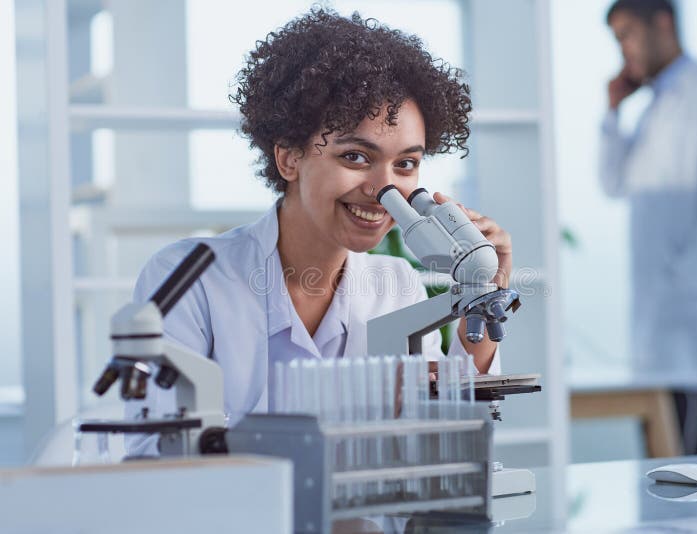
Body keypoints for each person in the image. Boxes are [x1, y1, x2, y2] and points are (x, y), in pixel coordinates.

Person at [125, 8, 511, 455]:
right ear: (289, 159)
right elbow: (150, 454)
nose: (383, 190)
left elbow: (446, 441)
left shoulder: (397, 287)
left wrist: (479, 300)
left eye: (405, 164)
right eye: (355, 157)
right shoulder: (187, 280)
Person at [600, 0, 697, 454]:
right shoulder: (653, 107)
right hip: (655, 332)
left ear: (663, 23)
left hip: (693, 331)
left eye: (627, 34)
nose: (623, 50)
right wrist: (612, 112)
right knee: (663, 482)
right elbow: (613, 183)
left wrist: (684, 287)